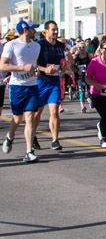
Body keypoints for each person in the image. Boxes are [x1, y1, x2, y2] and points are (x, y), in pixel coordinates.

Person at [0, 20, 43, 162]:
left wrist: (36, 71)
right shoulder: (11, 45)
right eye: (33, 29)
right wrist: (22, 68)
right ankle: (10, 136)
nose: (35, 31)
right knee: (17, 119)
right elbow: (3, 66)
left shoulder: (36, 46)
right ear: (26, 30)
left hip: (32, 85)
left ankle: (29, 151)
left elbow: (35, 65)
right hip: (17, 86)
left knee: (30, 117)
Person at [35, 20, 68, 151]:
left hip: (55, 82)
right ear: (46, 31)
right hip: (41, 82)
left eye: (56, 29)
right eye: (53, 29)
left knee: (54, 111)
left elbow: (63, 62)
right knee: (37, 113)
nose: (55, 32)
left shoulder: (61, 45)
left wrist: (65, 67)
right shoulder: (39, 45)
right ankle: (32, 135)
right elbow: (33, 64)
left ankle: (55, 139)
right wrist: (44, 69)